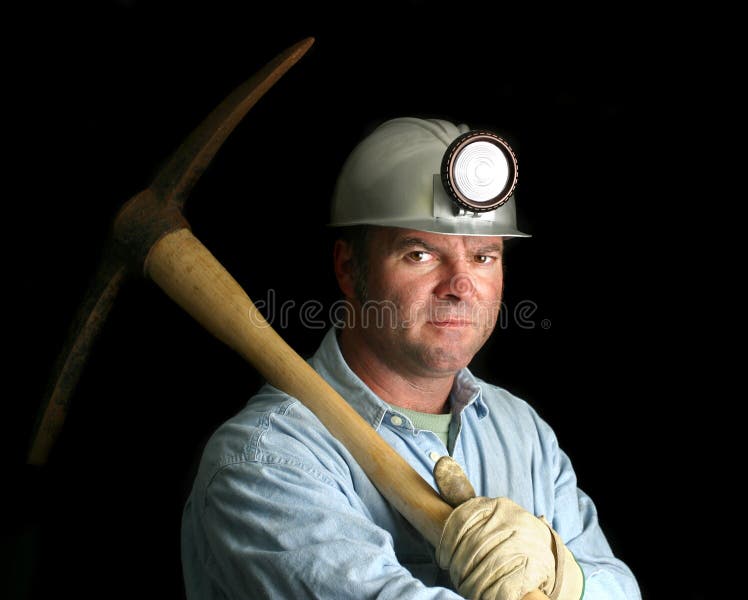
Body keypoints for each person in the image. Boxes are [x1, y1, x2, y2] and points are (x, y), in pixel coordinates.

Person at [180, 117, 641, 599]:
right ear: (346, 266)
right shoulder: (265, 462)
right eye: (420, 254)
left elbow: (621, 588)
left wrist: (562, 574)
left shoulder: (520, 431)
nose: (461, 286)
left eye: (484, 257)